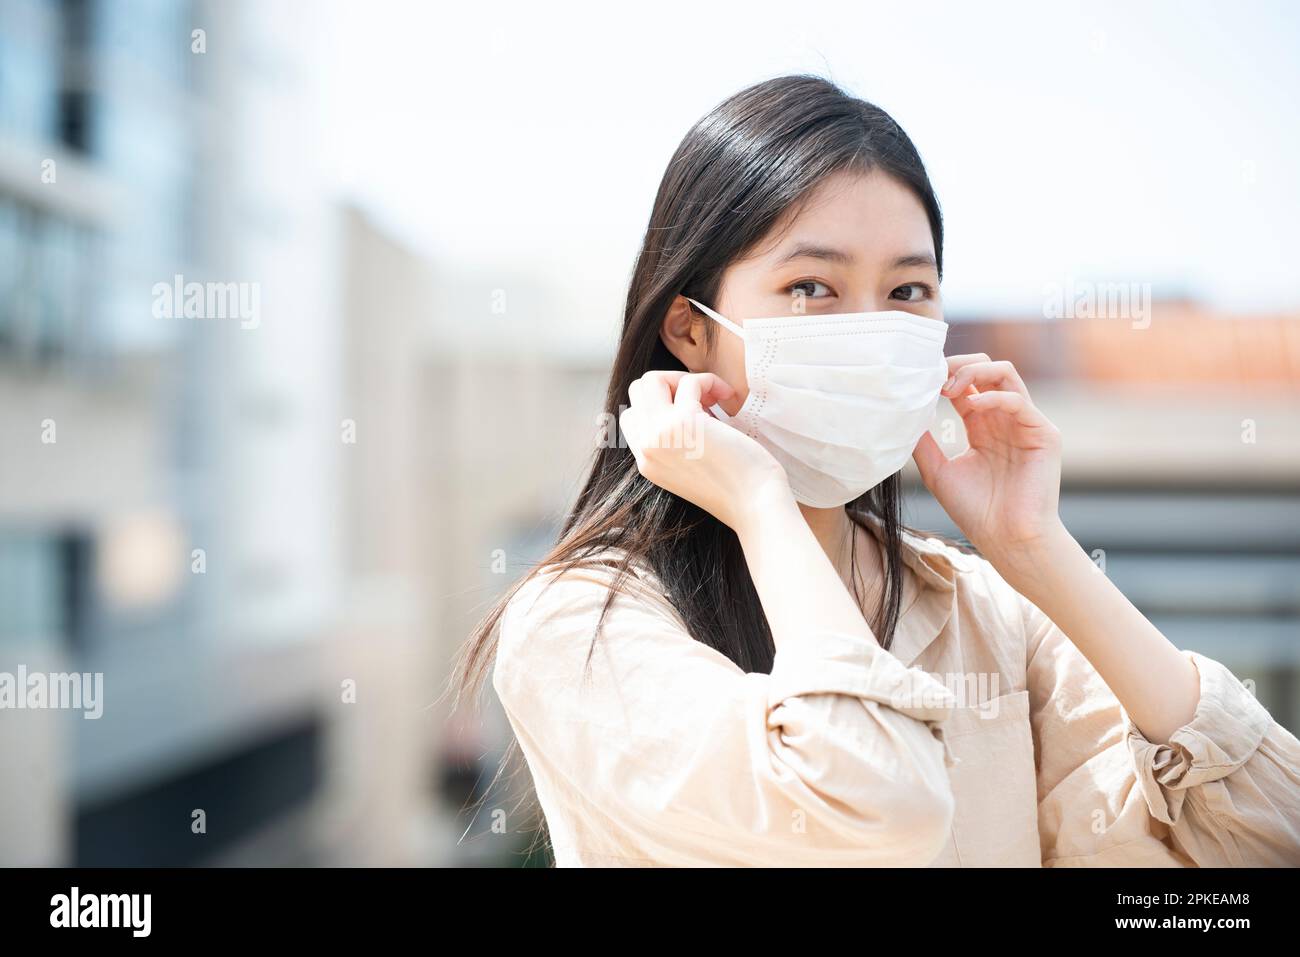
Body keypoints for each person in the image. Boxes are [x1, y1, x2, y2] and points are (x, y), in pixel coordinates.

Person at [451, 73, 1300, 867]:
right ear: (690, 329)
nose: (870, 327)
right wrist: (758, 499)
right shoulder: (581, 623)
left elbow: (1266, 836)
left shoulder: (980, 612)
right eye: (813, 288)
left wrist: (1036, 548)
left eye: (906, 292)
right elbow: (869, 805)